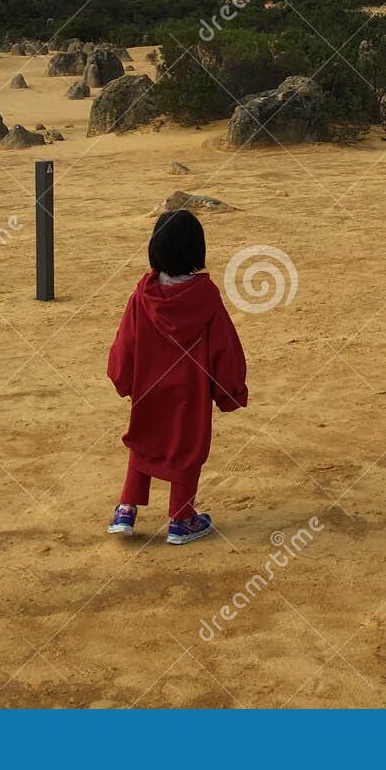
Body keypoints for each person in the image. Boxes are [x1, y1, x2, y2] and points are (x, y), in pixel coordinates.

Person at [105, 209, 247, 543]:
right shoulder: (207, 298)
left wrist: (123, 378)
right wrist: (230, 391)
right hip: (190, 393)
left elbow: (125, 344)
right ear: (198, 250)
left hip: (148, 388)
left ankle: (126, 510)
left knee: (144, 438)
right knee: (187, 449)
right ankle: (181, 519)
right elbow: (225, 349)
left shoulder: (142, 296)